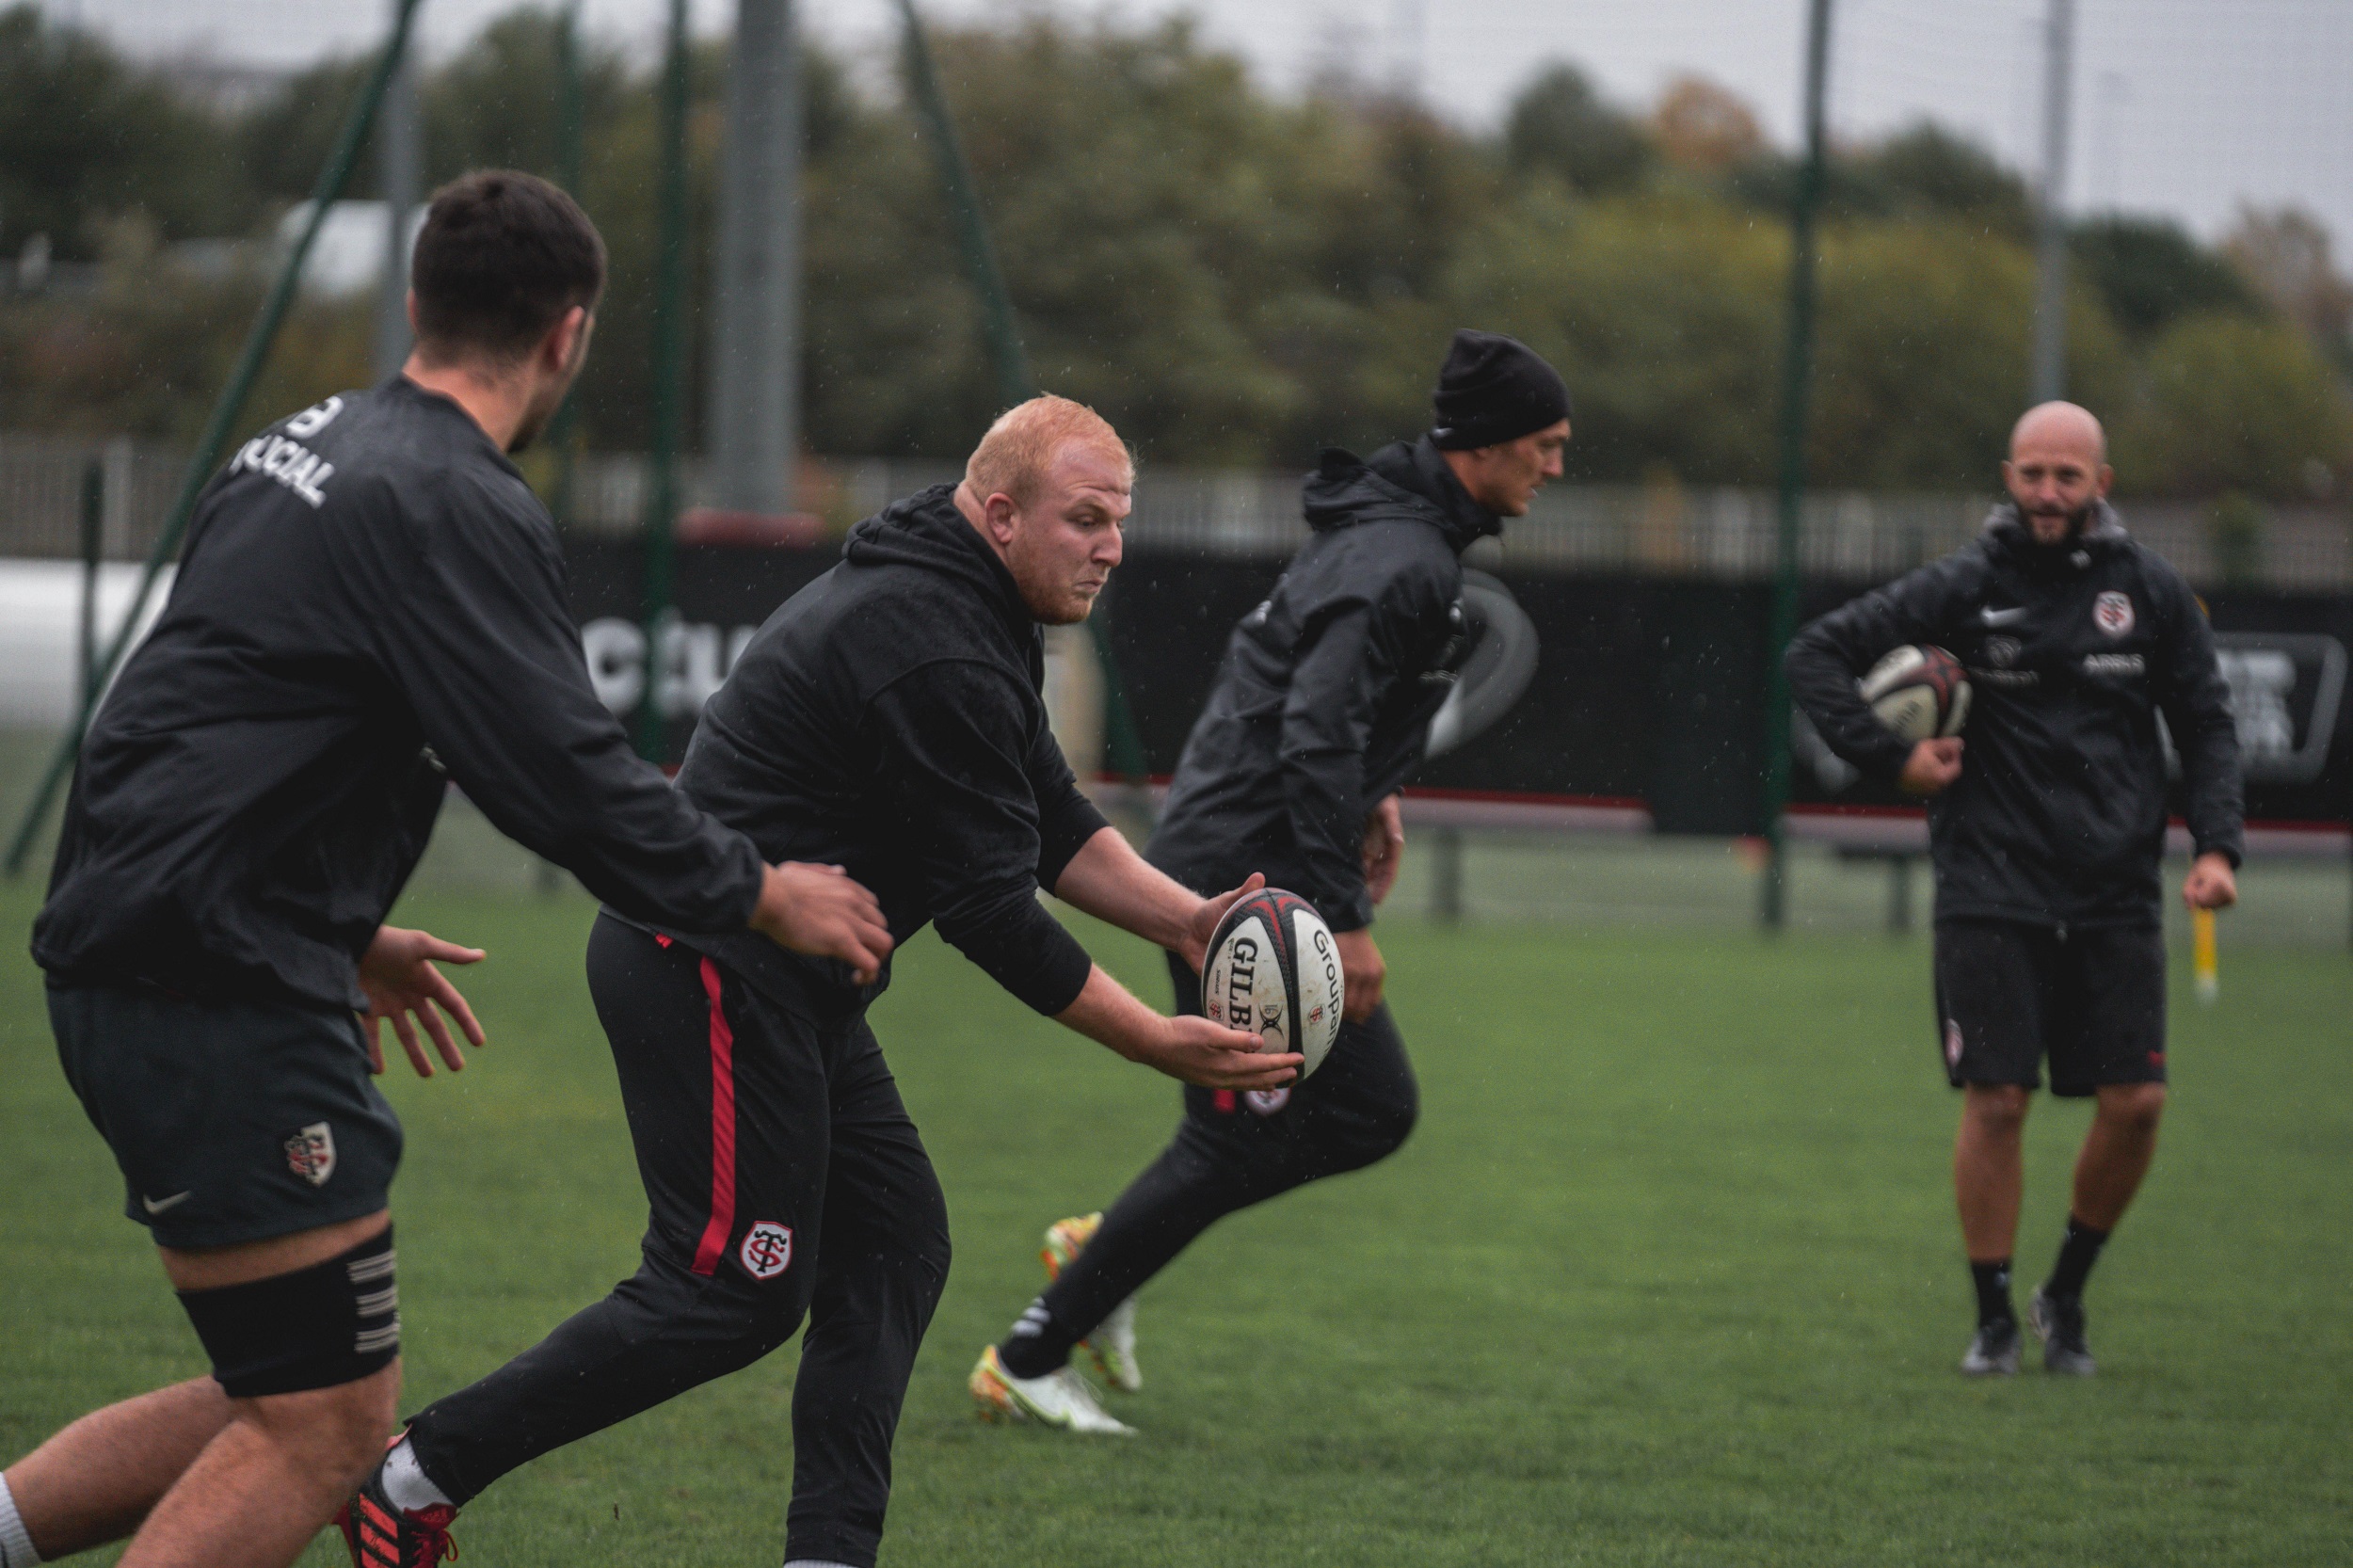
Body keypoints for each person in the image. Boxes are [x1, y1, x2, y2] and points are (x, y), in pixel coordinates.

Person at [0, 171, 890, 1568]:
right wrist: (767, 890)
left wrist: (344, 929)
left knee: (285, 1393)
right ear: (568, 335)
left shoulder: (298, 444)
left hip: (134, 946)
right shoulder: (455, 500)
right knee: (324, 1427)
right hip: (218, 987)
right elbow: (567, 778)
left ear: (416, 301)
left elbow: (197, 725)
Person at [346, 394, 1292, 1568]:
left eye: (1120, 520)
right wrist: (1153, 1035)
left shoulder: (970, 601)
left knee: (895, 1243)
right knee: (728, 1292)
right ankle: (411, 1478)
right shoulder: (936, 635)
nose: (1111, 547)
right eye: (1086, 519)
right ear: (1002, 515)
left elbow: (1048, 815)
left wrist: (1192, 920)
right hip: (703, 970)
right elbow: (993, 913)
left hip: (789, 986)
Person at [968, 329, 1571, 1432]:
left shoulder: (1403, 535)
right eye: (1545, 442)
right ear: (1485, 445)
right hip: (1240, 871)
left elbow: (1327, 707)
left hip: (1258, 848)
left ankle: (1098, 1263)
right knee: (1279, 1124)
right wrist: (1345, 917)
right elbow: (1313, 726)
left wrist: (1372, 793)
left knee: (1355, 1113)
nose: (1556, 465)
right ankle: (1028, 1356)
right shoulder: (1400, 553)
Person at [1786, 401, 2242, 1377]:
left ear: (2100, 484)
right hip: (1990, 882)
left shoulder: (2149, 591)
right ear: (2008, 476)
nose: (2046, 492)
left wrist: (2218, 849)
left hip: (2115, 888)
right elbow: (1813, 653)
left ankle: (2064, 1294)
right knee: (1997, 1101)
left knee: (2137, 1102)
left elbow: (2206, 724)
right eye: (2031, 473)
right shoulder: (1965, 582)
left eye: (2066, 476)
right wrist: (1891, 758)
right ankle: (1992, 1317)